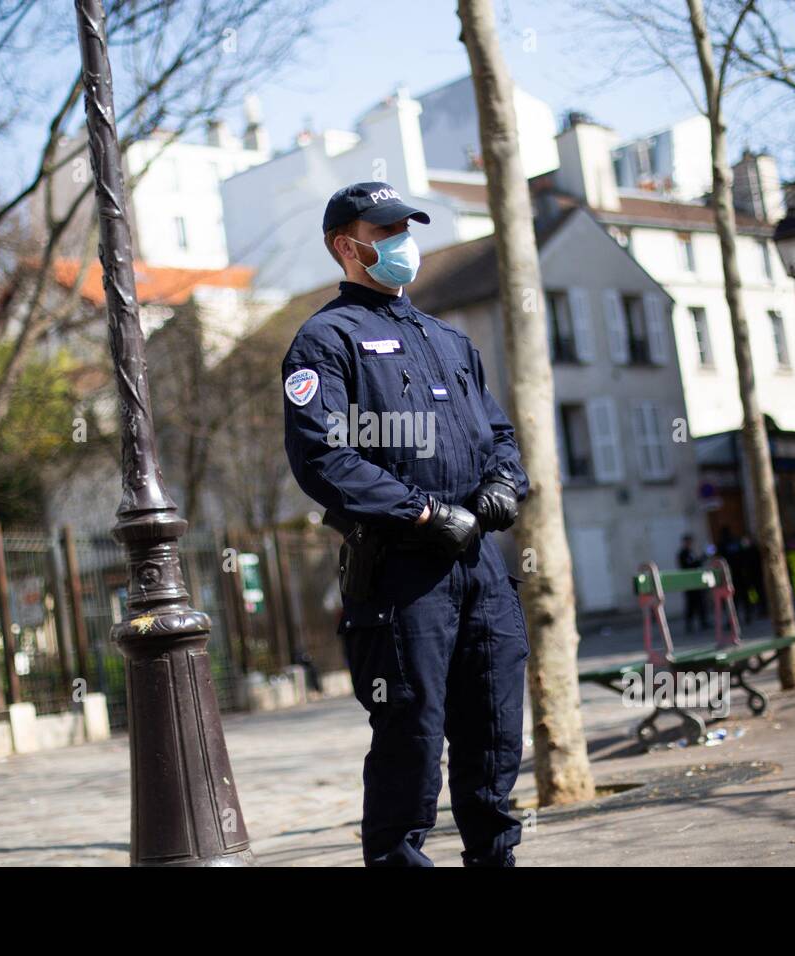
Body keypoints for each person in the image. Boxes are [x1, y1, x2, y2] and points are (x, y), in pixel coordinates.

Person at [281, 182, 531, 867]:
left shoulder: (449, 340)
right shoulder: (325, 342)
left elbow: (501, 434)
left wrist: (506, 485)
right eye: (384, 232)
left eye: (404, 229)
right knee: (411, 742)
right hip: (400, 578)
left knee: (495, 738)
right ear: (346, 246)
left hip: (480, 569)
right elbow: (322, 457)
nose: (400, 244)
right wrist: (420, 512)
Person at [677, 533, 709, 632]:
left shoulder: (691, 552)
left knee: (701, 603)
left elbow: (695, 563)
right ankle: (689, 625)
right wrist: (702, 559)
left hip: (696, 582)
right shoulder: (683, 553)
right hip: (689, 583)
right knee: (691, 605)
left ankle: (703, 622)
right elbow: (689, 566)